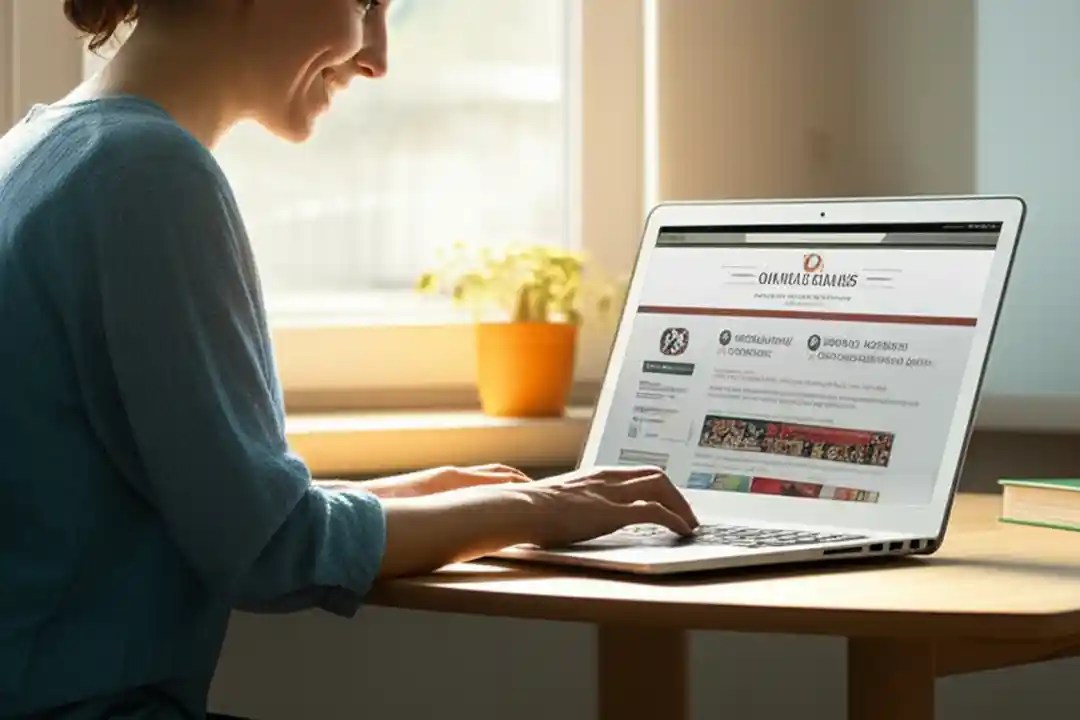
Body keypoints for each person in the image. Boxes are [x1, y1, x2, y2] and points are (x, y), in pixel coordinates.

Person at [0, 1, 699, 717]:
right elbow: (271, 550)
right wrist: (535, 507)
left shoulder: (43, 149)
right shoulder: (146, 174)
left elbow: (231, 509)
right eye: (366, 4)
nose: (377, 58)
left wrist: (426, 494)